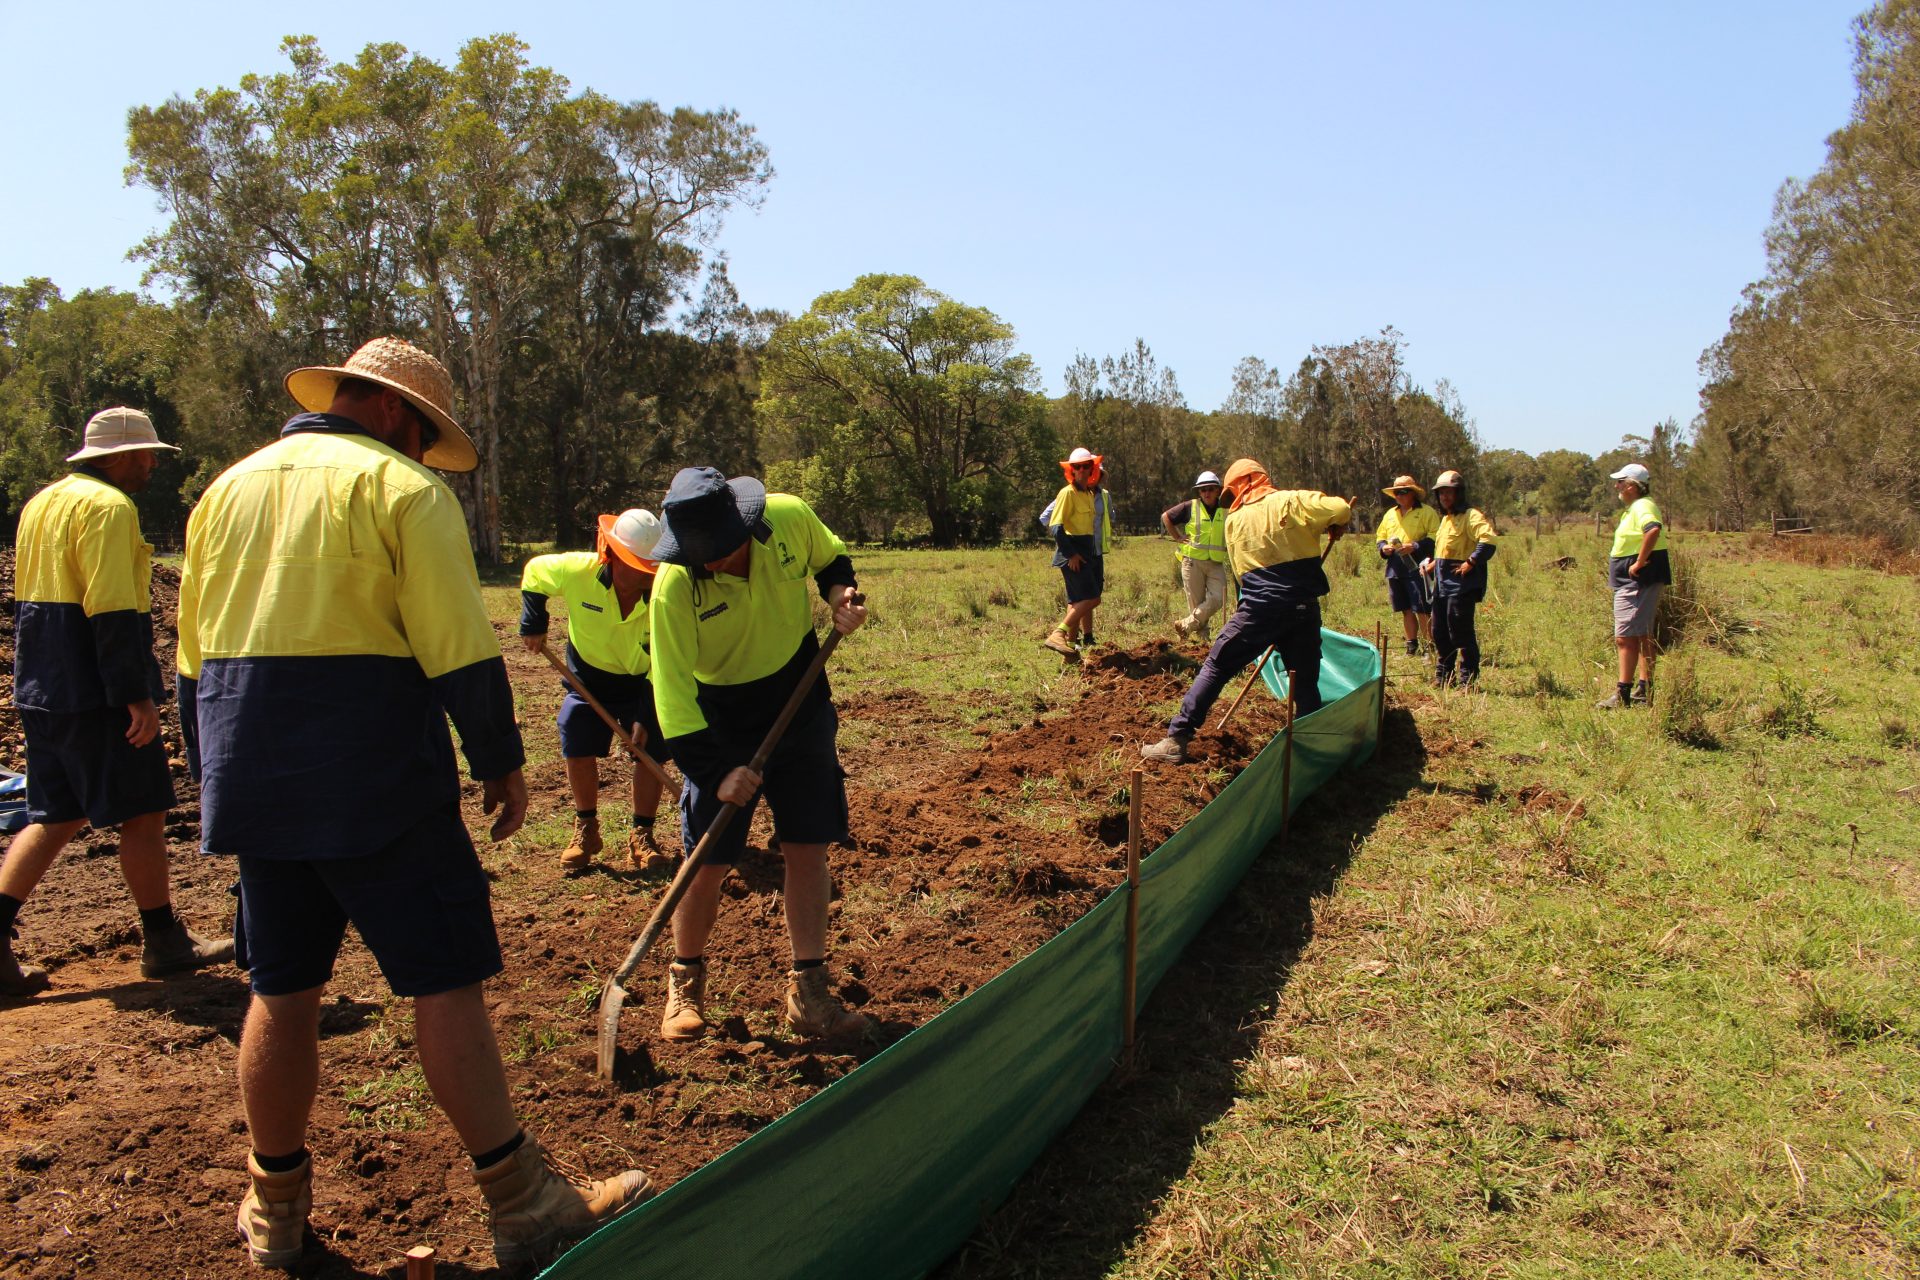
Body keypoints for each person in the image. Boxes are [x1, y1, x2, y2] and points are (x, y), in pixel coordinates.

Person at [175, 338, 648, 1272]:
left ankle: (274, 1206)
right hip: (372, 770)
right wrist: (499, 761)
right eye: (426, 435)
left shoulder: (224, 490)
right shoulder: (402, 490)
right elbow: (458, 646)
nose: (427, 453)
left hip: (250, 765)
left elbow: (193, 660)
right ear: (395, 411)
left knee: (282, 986)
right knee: (444, 979)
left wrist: (214, 775)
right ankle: (526, 1205)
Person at [1, 407, 231, 997]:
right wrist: (135, 696)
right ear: (122, 456)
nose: (152, 464)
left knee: (55, 814)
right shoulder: (109, 507)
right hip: (94, 692)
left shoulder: (41, 503)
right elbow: (111, 609)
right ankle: (164, 941)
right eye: (147, 454)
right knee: (144, 813)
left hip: (41, 686)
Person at [646, 467, 871, 1043]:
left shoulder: (789, 518)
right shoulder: (675, 586)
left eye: (717, 551)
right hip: (719, 721)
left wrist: (840, 597)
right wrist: (715, 773)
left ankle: (809, 992)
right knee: (706, 860)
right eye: (696, 555)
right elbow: (671, 694)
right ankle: (685, 983)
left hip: (800, 700)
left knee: (807, 847)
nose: (708, 564)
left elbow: (833, 560)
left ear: (743, 526)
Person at [1141, 459, 1351, 763]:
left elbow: (1242, 578)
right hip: (1304, 607)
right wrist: (1333, 524)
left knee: (1217, 666)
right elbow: (1341, 508)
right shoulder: (1292, 501)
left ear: (1242, 485)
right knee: (1304, 680)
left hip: (1259, 608)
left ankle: (1177, 738)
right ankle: (1311, 747)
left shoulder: (1234, 520)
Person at [519, 510, 676, 874]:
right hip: (587, 681)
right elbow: (536, 571)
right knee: (575, 732)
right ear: (611, 556)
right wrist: (533, 620)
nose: (645, 576)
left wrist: (644, 714)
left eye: (650, 568)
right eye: (637, 567)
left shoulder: (662, 594)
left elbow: (666, 656)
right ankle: (586, 828)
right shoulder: (578, 571)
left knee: (650, 752)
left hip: (643, 682)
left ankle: (642, 835)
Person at [1598, 462, 1669, 709]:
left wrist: (1639, 562)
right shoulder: (1636, 507)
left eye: (1620, 482)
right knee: (1640, 635)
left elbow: (1653, 530)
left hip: (1637, 580)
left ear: (1632, 485)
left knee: (1625, 637)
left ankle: (1623, 694)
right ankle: (1643, 691)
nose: (1616, 486)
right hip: (1632, 580)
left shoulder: (1643, 506)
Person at [1423, 470, 1499, 688]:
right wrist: (1432, 565)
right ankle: (1444, 676)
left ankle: (1468, 679)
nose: (1445, 497)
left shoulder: (1471, 515)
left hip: (1461, 585)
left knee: (1460, 632)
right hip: (1441, 585)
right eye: (1441, 493)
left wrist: (1471, 562)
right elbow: (1445, 550)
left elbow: (1489, 539)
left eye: (1449, 492)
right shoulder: (1446, 519)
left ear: (1459, 493)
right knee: (1439, 631)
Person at [1040, 447, 1112, 657]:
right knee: (1093, 599)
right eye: (1077, 467)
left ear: (1092, 468)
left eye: (1085, 466)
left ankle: (1070, 649)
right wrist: (1071, 555)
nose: (1081, 470)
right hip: (1072, 554)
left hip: (1086, 552)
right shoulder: (1067, 493)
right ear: (1071, 470)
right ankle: (1058, 633)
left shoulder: (1088, 494)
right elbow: (1056, 527)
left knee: (1077, 601)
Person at [1162, 470, 1230, 645]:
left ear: (1217, 490)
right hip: (1192, 561)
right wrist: (1177, 537)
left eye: (1210, 489)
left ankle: (1185, 625)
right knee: (1197, 602)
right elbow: (1166, 517)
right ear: (1199, 492)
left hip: (1215, 562)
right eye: (1202, 489)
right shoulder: (1190, 507)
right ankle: (1203, 643)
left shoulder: (1225, 509)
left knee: (1219, 598)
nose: (1206, 493)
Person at [1374, 474, 1438, 657]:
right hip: (1395, 568)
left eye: (1403, 492)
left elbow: (1436, 537)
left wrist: (1415, 546)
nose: (1399, 496)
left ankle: (1429, 647)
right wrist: (1383, 548)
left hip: (1418, 567)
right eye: (1396, 493)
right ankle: (1411, 646)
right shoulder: (1390, 514)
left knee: (1422, 609)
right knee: (1405, 608)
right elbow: (1380, 536)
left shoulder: (1427, 512)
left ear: (1413, 493)